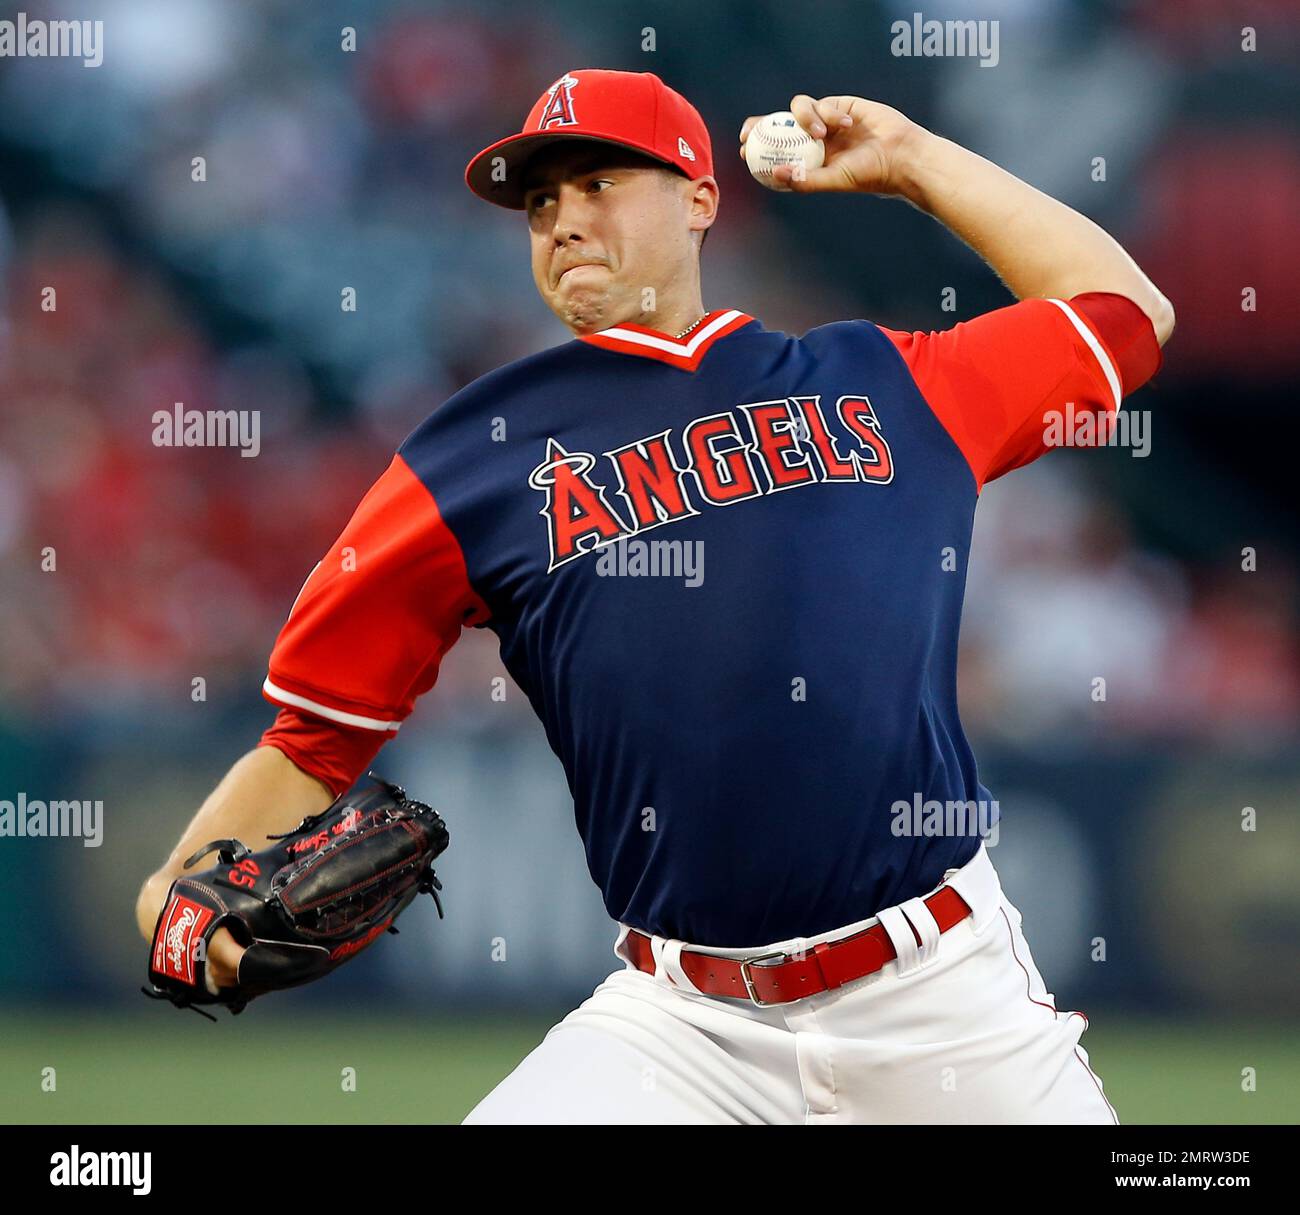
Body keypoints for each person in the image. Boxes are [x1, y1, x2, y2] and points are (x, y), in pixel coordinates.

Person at [136, 68, 1173, 1124]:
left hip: (944, 1002)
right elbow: (313, 737)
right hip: (683, 1029)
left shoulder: (882, 383)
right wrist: (171, 891)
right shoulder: (472, 454)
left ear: (699, 199)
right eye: (540, 204)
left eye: (596, 184)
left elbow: (1127, 314)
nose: (562, 221)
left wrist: (912, 163)